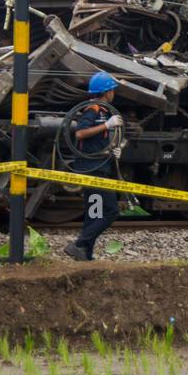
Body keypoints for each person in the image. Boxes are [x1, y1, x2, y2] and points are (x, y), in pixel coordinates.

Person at [63, 71, 124, 261]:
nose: (114, 93)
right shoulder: (94, 110)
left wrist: (113, 150)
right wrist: (107, 126)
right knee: (111, 211)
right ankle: (80, 244)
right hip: (92, 169)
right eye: (112, 90)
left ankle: (85, 254)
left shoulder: (104, 111)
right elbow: (80, 134)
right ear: (107, 92)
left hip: (99, 166)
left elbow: (98, 140)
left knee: (94, 213)